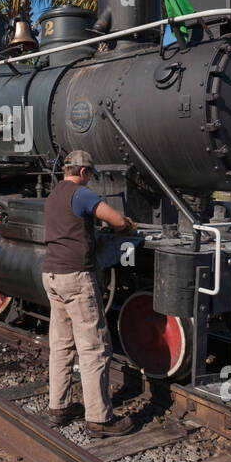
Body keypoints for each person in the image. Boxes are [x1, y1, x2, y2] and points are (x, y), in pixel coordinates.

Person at [41, 150, 138, 436]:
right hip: (75, 276)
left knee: (61, 344)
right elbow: (117, 220)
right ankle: (98, 419)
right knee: (94, 346)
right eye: (91, 175)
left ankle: (59, 407)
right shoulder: (80, 193)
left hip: (51, 274)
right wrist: (128, 226)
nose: (91, 180)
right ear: (83, 172)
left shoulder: (54, 194)